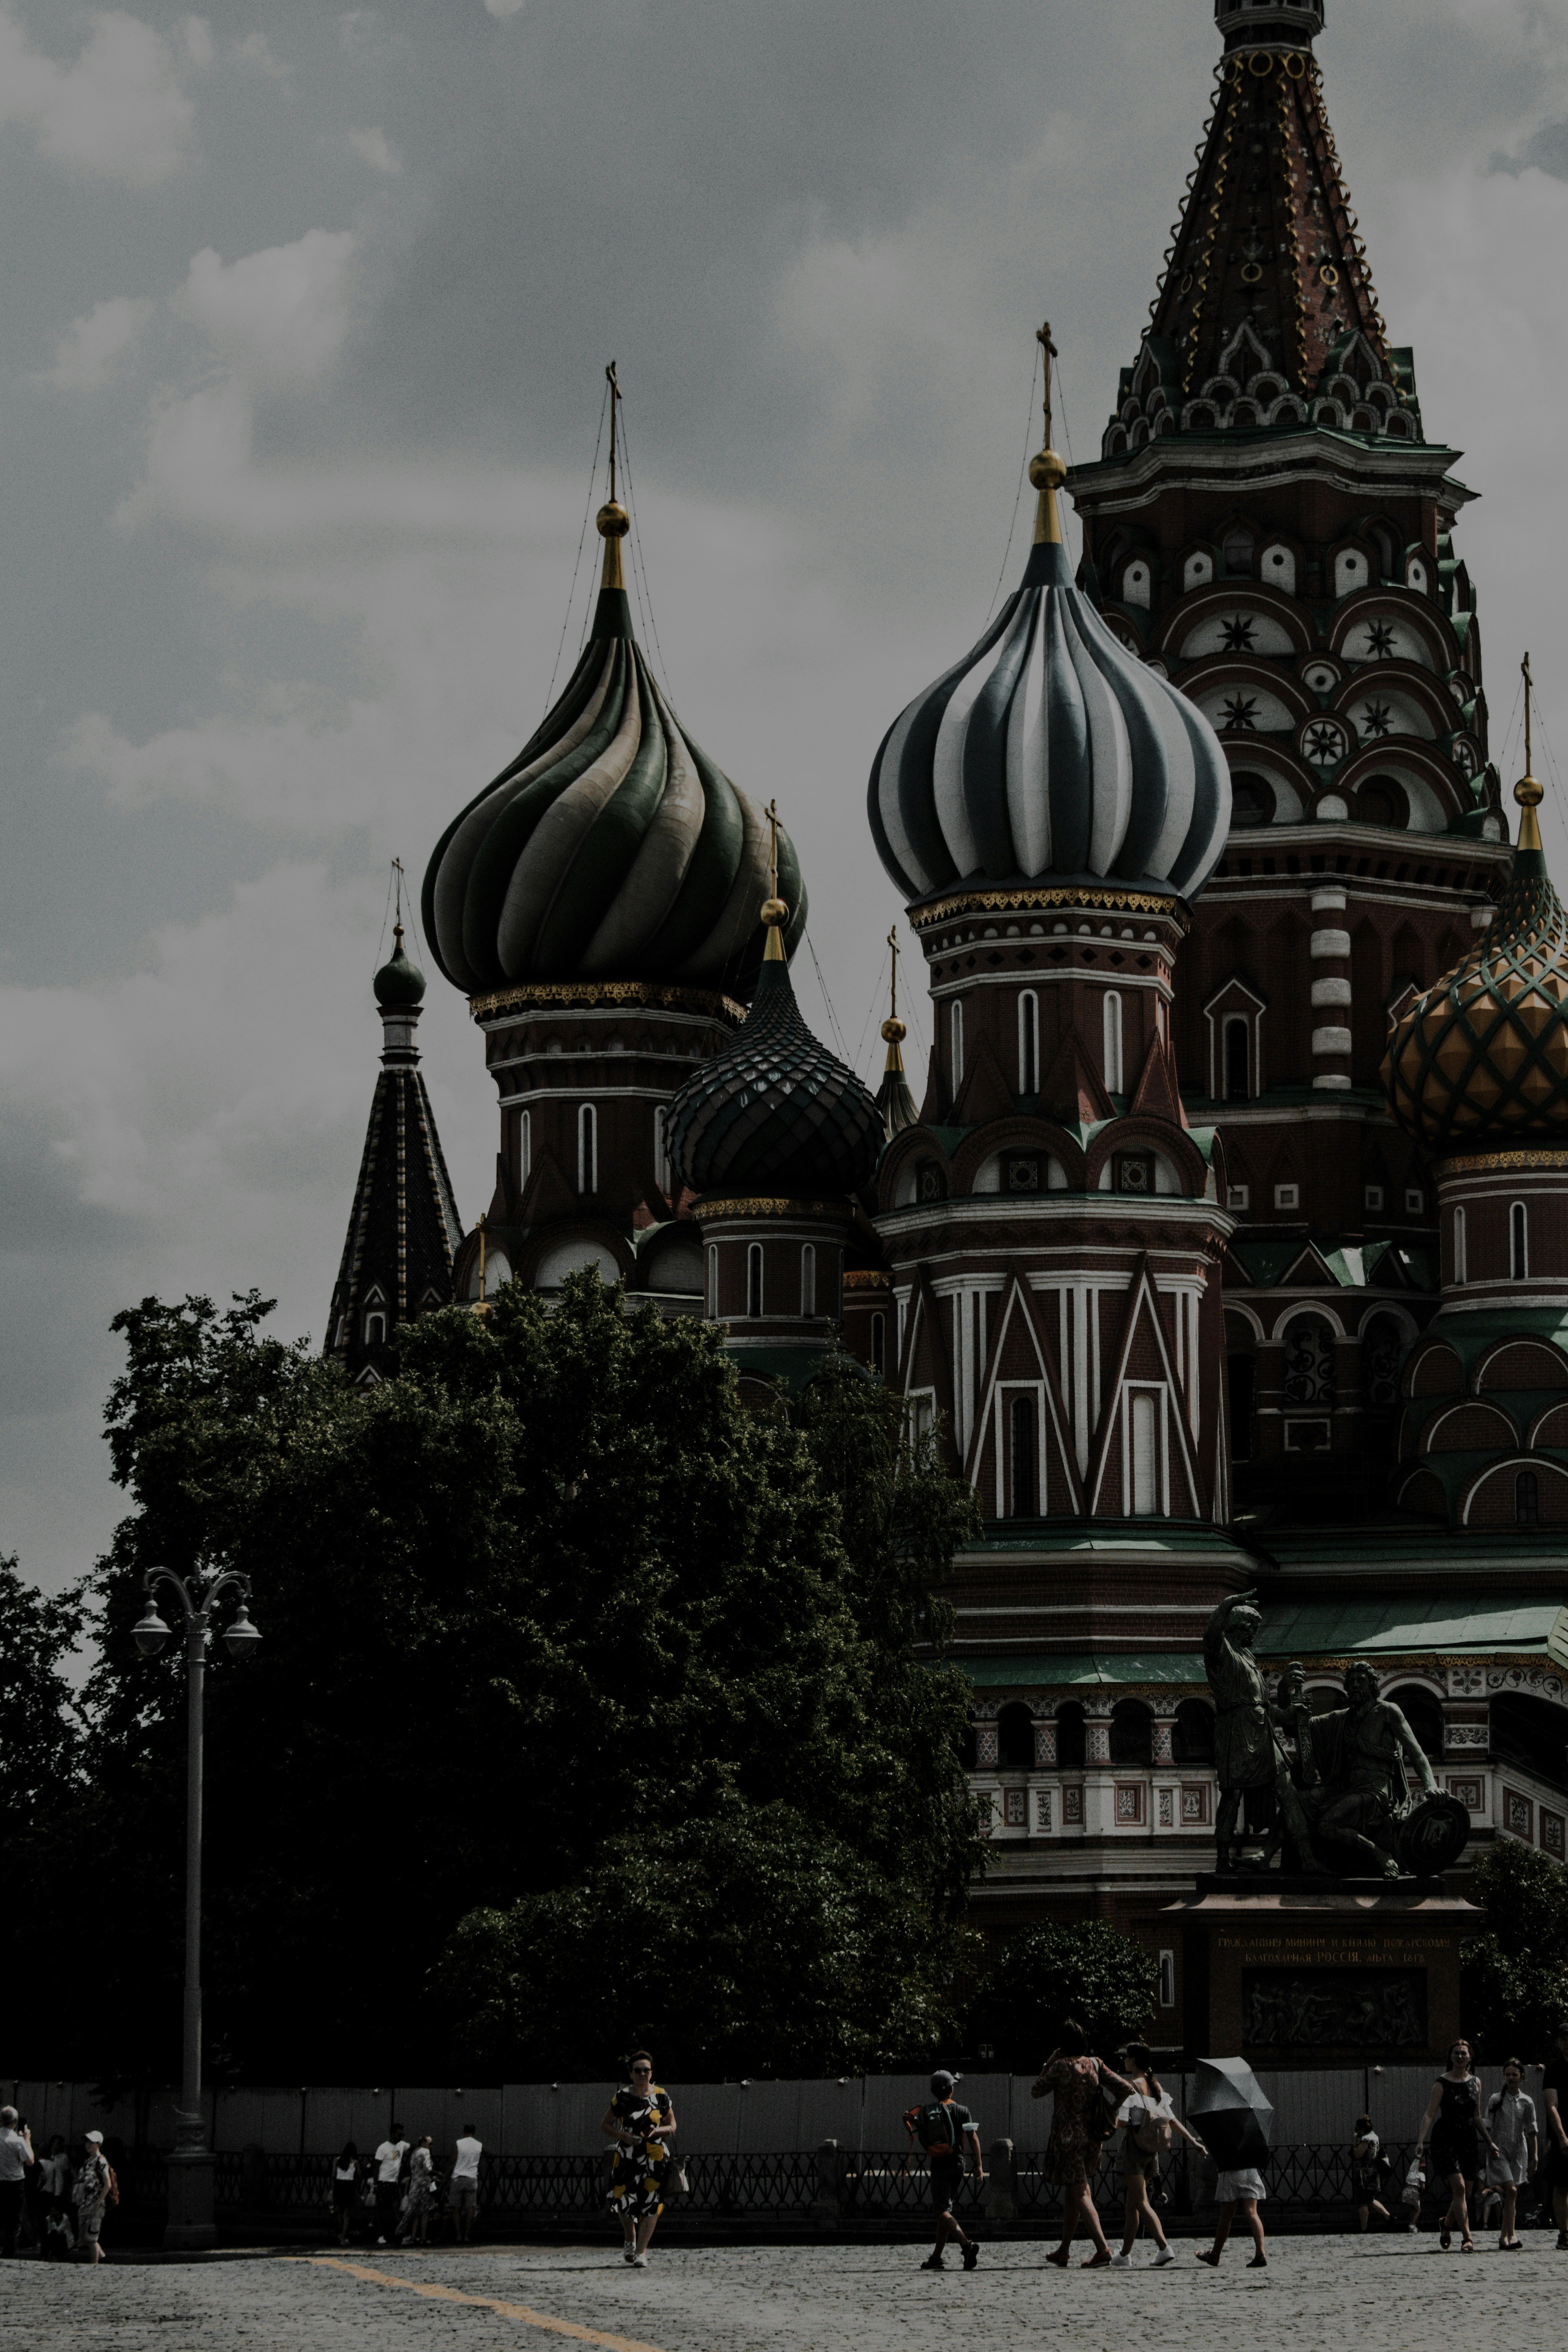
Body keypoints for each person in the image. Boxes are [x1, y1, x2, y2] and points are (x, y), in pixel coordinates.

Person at [1032, 2018, 1134, 2269]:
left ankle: (1102, 2249)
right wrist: (1110, 2109)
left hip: (1067, 2139)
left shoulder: (1060, 2067)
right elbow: (1126, 2088)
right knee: (1074, 2191)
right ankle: (1064, 2251)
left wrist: (1049, 2062)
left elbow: (1036, 2090)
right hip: (1092, 2137)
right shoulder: (1096, 2064)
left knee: (1081, 2192)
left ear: (1063, 2044)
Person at [1110, 2044, 1206, 2267]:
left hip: (1133, 2151)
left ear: (1133, 2061)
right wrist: (1192, 2142)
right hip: (1151, 2152)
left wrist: (1105, 2122)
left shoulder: (1130, 2087)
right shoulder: (1156, 2087)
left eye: (1127, 2058)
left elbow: (1124, 2122)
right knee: (1132, 2206)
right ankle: (1124, 2255)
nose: (1124, 2061)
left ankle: (1164, 2248)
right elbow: (1171, 2120)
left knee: (1141, 2203)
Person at [1415, 2038, 1498, 2252]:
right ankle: (1467, 2238)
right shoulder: (1441, 2082)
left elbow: (1478, 2116)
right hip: (1446, 2139)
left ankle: (1447, 2224)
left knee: (1466, 2193)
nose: (1460, 2057)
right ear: (1451, 2057)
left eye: (1464, 2053)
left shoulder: (1476, 2082)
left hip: (1468, 2139)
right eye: (1456, 2054)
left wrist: (1490, 2143)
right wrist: (1421, 2140)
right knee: (1459, 2188)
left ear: (1470, 2057)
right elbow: (1430, 2113)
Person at [903, 2069, 985, 2271]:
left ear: (933, 2091)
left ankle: (967, 2245)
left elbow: (920, 2129)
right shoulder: (962, 2110)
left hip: (939, 2164)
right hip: (958, 2163)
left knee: (941, 2211)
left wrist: (912, 2120)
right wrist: (979, 2165)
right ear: (952, 2089)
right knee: (944, 2211)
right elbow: (973, 2138)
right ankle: (936, 2258)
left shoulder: (926, 2112)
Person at [601, 2052, 676, 2267]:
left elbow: (672, 2126)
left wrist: (658, 2132)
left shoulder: (662, 2096)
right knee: (624, 2202)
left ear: (652, 2073)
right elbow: (605, 2125)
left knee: (652, 2203)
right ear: (631, 2074)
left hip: (654, 2156)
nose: (643, 2074)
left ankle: (641, 2253)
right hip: (627, 2155)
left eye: (647, 2070)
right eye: (638, 2070)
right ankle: (630, 2237)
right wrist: (624, 2136)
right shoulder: (622, 2097)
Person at [1197, 2161, 1267, 2268]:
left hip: (1230, 2170)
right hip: (1250, 2170)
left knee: (1226, 2217)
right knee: (1252, 2213)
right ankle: (1261, 2253)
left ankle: (1215, 2255)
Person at [1540, 2017, 1568, 2249]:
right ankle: (1564, 2234)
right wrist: (1562, 2137)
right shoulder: (1554, 2071)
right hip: (1563, 2135)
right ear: (1559, 2043)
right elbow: (1551, 2106)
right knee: (1562, 2186)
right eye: (1564, 2039)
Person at [0, 2107, 34, 2259]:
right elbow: (30, 2161)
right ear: (15, 2122)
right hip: (15, 2184)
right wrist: (27, 2139)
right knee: (13, 2222)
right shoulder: (18, 2141)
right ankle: (9, 2254)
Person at [73, 2130, 111, 2263]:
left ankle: (94, 2266)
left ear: (98, 2144)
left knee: (91, 2238)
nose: (88, 2145)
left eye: (91, 2142)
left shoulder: (101, 2162)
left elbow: (108, 2184)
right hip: (86, 2203)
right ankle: (104, 2260)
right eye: (87, 2142)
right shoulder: (88, 2162)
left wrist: (98, 2203)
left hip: (95, 2204)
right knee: (85, 2238)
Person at [1351, 2113, 1389, 2231]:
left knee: (1362, 2203)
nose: (1356, 2131)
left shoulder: (1366, 2140)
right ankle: (1389, 2217)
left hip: (1364, 2176)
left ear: (1362, 2130)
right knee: (1371, 2200)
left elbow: (1358, 2155)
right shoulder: (1375, 2137)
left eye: (1357, 2129)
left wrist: (1354, 2142)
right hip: (1373, 2174)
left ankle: (1364, 2228)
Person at [373, 2123, 409, 2246]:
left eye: (402, 2135)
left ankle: (401, 2234)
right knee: (381, 2209)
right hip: (384, 2181)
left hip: (393, 2182)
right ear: (393, 2133)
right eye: (399, 2134)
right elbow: (376, 2166)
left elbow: (411, 2146)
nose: (401, 2137)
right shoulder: (383, 2148)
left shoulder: (401, 2145)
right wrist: (376, 2184)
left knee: (395, 2208)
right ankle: (380, 2235)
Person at [398, 2135, 437, 2244]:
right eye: (430, 2143)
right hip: (424, 2185)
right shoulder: (426, 2152)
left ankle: (413, 2236)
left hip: (415, 2185)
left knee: (415, 2212)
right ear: (424, 2143)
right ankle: (423, 2237)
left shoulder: (414, 2153)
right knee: (425, 2211)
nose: (431, 2146)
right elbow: (428, 2168)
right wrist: (438, 2174)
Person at [450, 2123, 483, 2244]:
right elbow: (486, 2153)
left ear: (464, 2131)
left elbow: (453, 2158)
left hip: (458, 2177)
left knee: (456, 2208)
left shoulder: (459, 2143)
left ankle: (459, 2235)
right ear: (474, 2132)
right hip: (472, 2178)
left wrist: (446, 2174)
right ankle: (467, 2235)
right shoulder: (479, 2145)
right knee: (470, 2209)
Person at [332, 2142, 360, 2247]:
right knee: (347, 2214)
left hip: (339, 2186)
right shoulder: (355, 2162)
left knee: (340, 2213)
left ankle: (341, 2234)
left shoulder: (338, 2160)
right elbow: (359, 2176)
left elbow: (334, 2175)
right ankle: (344, 2237)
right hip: (349, 2187)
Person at [1397, 2146, 1426, 2233]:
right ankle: (1412, 2225)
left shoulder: (1412, 2170)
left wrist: (1419, 2153)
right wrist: (1422, 2191)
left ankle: (1412, 2225)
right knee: (1418, 2209)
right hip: (1414, 2191)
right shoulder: (1422, 2175)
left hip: (1406, 2191)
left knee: (1413, 2208)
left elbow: (1417, 2160)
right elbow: (1423, 2188)